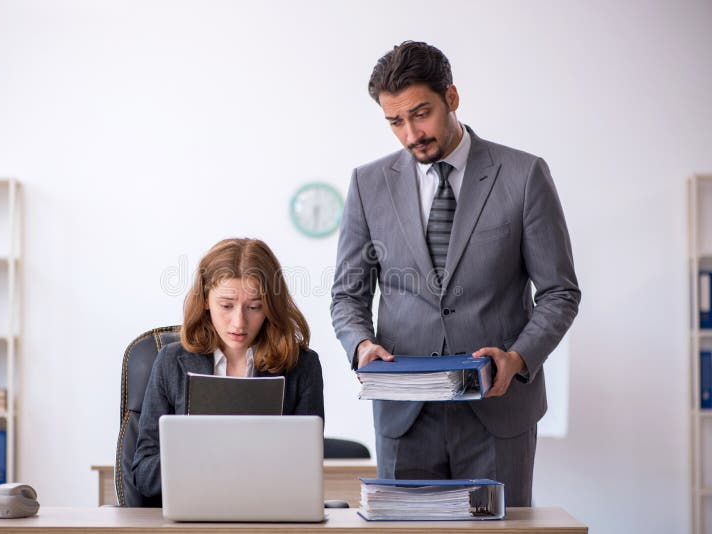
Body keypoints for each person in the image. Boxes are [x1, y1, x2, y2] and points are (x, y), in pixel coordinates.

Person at [330, 41, 580, 506]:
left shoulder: (523, 175)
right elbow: (347, 295)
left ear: (452, 97)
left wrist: (518, 358)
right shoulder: (368, 184)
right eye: (394, 122)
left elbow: (560, 292)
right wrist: (361, 344)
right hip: (405, 414)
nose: (409, 134)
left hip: (497, 408)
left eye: (420, 114)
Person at [133, 238, 324, 500]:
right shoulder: (170, 362)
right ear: (205, 300)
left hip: (270, 514)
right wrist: (197, 458)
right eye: (226, 305)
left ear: (270, 307)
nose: (239, 322)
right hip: (193, 511)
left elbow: (305, 470)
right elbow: (143, 475)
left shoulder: (301, 366)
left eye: (254, 307)